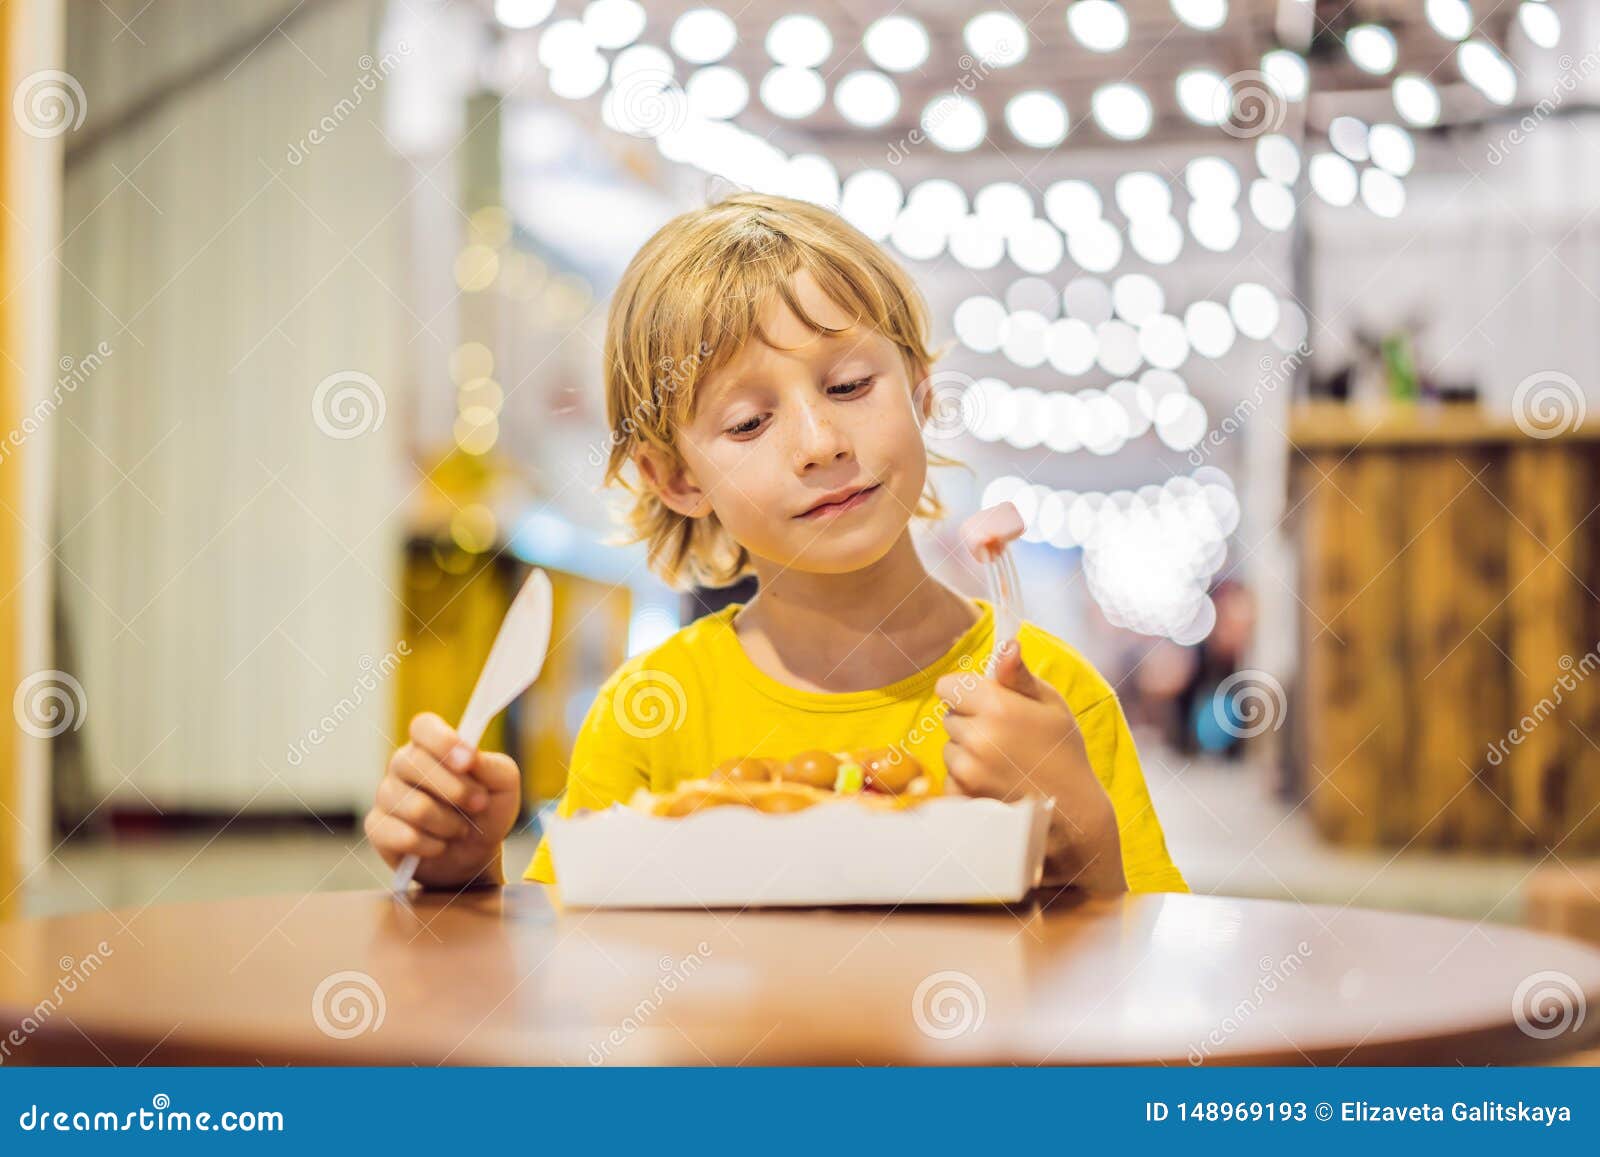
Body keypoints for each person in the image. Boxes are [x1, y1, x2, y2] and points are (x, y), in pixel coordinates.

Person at [367, 192, 1187, 895]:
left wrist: (1082, 831)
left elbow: (1152, 984)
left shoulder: (1050, 698)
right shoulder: (649, 714)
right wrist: (467, 874)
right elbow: (568, 966)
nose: (820, 441)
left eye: (850, 385)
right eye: (749, 421)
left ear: (921, 395)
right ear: (677, 480)